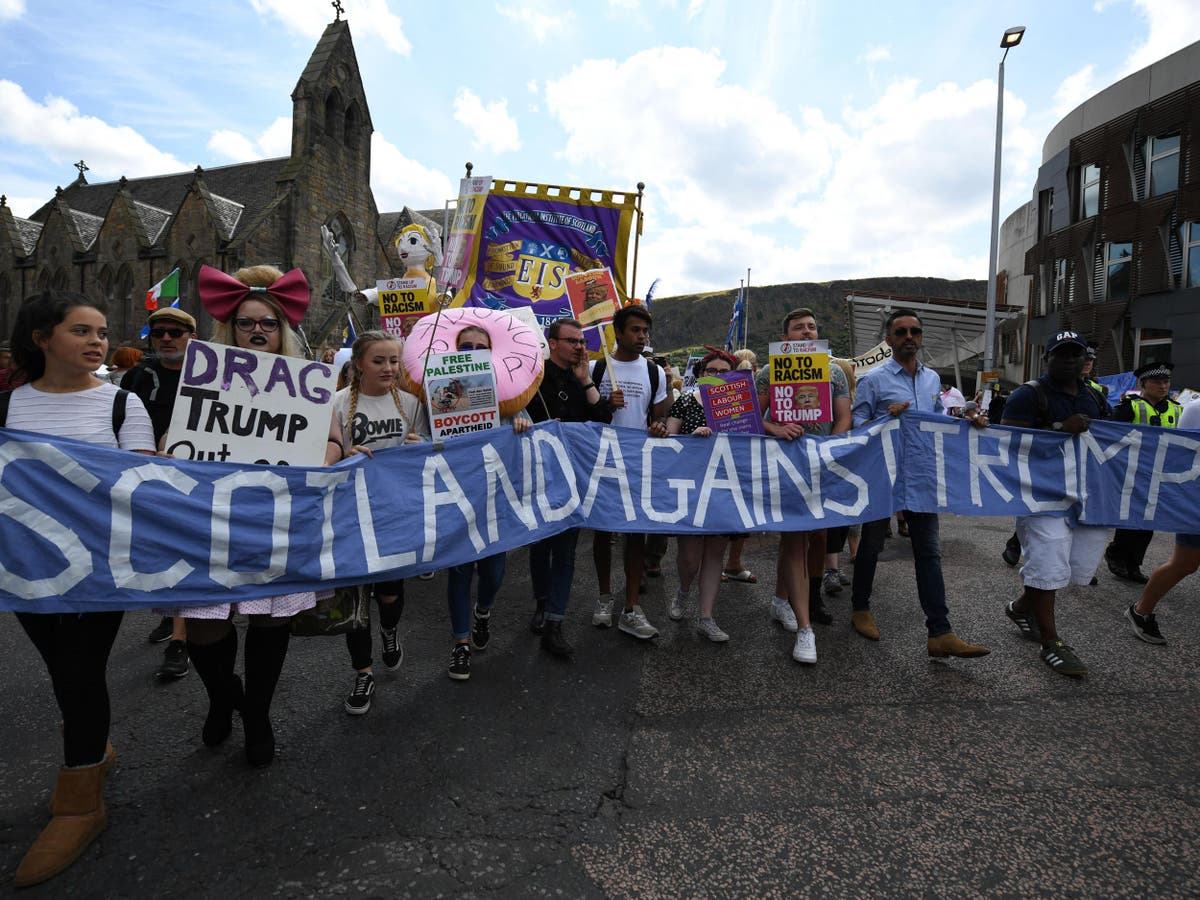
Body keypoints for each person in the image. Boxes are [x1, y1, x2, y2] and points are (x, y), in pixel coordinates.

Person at [3, 290, 155, 887]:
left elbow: (144, 487)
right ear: (42, 338)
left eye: (101, 332)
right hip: (24, 568)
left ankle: (80, 797)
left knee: (79, 669)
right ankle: (92, 747)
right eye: (81, 331)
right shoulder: (6, 407)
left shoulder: (123, 407)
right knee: (60, 666)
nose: (97, 341)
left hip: (100, 567)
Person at [176, 264, 339, 766]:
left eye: (267, 323)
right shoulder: (201, 374)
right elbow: (179, 438)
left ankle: (259, 715)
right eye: (247, 323)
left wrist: (323, 458)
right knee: (205, 626)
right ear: (230, 327)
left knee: (270, 624)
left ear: (282, 329)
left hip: (277, 522)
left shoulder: (310, 385)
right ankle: (225, 696)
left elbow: (333, 440)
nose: (257, 331)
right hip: (212, 521)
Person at [850, 309, 990, 660]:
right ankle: (859, 607)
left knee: (928, 551)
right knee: (870, 546)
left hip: (922, 474)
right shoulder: (874, 380)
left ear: (921, 336)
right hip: (884, 473)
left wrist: (964, 417)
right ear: (889, 338)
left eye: (915, 331)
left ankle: (940, 631)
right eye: (901, 332)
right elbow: (857, 424)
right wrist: (885, 416)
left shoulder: (931, 379)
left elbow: (936, 417)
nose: (909, 337)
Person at [1001, 330, 1111, 677]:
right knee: (1048, 560)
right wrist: (1060, 427)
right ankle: (1052, 642)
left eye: (1076, 354)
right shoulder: (1028, 395)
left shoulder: (1094, 396)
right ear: (1047, 358)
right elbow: (1007, 443)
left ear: (1085, 360)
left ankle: (1021, 607)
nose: (1069, 360)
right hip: (1041, 496)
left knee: (1073, 568)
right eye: (1061, 354)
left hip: (1086, 496)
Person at [332, 330, 429, 712]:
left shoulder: (412, 404)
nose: (389, 368)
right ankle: (363, 673)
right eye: (379, 361)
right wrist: (342, 453)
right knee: (356, 601)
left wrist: (416, 447)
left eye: (394, 361)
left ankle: (389, 631)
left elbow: (432, 456)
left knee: (389, 594)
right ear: (359, 365)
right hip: (349, 516)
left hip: (395, 515)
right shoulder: (336, 404)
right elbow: (320, 456)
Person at [756, 308, 852, 663]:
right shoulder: (768, 371)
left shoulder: (834, 372)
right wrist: (777, 428)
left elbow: (844, 417)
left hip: (821, 467)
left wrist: (829, 451)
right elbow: (751, 415)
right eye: (799, 328)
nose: (808, 332)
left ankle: (781, 601)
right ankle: (805, 630)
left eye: (813, 327)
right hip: (785, 466)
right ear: (786, 338)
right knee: (796, 539)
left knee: (810, 538)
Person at [443, 325, 531, 681]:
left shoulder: (507, 396)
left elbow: (529, 436)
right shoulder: (440, 394)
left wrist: (523, 422)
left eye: (481, 346)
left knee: (493, 573)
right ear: (455, 350)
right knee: (460, 571)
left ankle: (484, 609)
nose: (473, 351)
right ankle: (460, 644)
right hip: (456, 498)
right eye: (466, 346)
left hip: (495, 499)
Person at [527, 318, 614, 657]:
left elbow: (604, 418)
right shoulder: (534, 376)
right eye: (572, 340)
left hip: (575, 476)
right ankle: (541, 601)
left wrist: (585, 380)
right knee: (540, 545)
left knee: (565, 551)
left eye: (581, 340)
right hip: (540, 474)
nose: (580, 346)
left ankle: (555, 623)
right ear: (552, 342)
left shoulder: (583, 378)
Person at [122, 306, 200, 678]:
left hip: (194, 480)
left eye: (175, 332)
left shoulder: (209, 375)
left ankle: (179, 642)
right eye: (159, 333)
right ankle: (171, 616)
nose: (166, 339)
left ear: (191, 337)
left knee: (184, 555)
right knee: (161, 553)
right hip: (148, 479)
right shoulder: (139, 375)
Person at [589, 306, 671, 640]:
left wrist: (659, 425)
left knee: (636, 534)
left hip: (639, 463)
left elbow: (661, 415)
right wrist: (607, 405)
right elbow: (587, 417)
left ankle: (631, 606)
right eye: (635, 330)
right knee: (602, 533)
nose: (642, 337)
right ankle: (604, 597)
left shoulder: (655, 373)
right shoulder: (596, 368)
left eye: (645, 332)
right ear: (618, 333)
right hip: (602, 461)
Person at [666, 349, 739, 641]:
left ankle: (706, 617)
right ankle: (684, 591)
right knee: (690, 559)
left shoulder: (738, 405)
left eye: (725, 372)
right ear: (700, 374)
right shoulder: (684, 401)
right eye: (713, 372)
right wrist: (690, 439)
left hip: (724, 487)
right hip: (692, 488)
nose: (719, 377)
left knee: (715, 555)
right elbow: (668, 440)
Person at [1125, 398, 1200, 644]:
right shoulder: (1196, 408)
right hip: (1196, 500)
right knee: (1186, 563)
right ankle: (1141, 611)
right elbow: (1178, 453)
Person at [1104, 361, 1181, 584]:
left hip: (1161, 473)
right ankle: (1117, 554)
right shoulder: (1130, 407)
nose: (1162, 386)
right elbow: (1112, 434)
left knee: (1149, 522)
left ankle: (1134, 564)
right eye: (1157, 381)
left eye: (1166, 381)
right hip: (1133, 471)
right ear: (1143, 384)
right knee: (1131, 518)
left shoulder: (1177, 409)